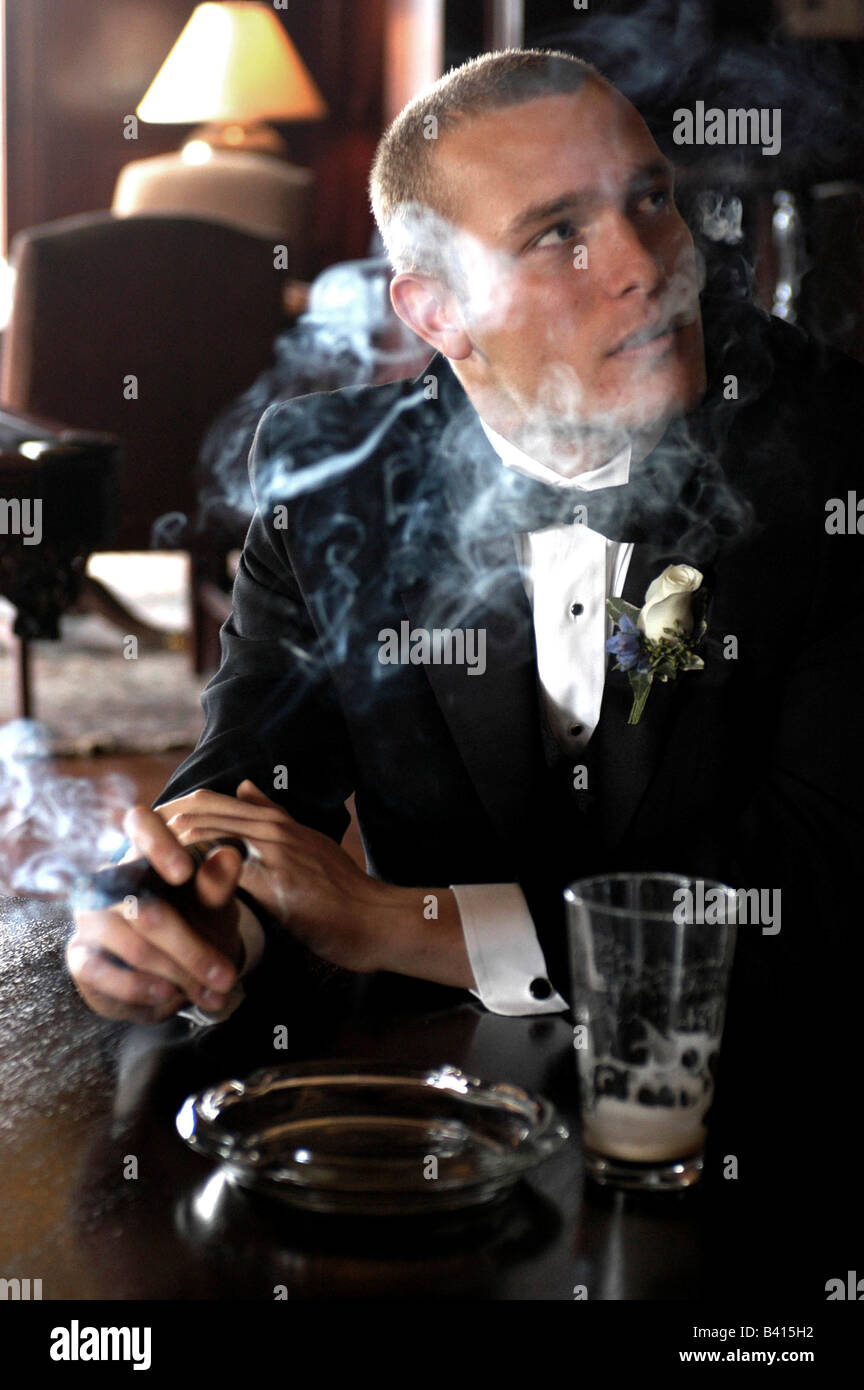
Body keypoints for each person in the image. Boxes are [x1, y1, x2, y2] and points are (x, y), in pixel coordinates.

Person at [67, 47, 863, 1135]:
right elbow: (253, 792)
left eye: (651, 201)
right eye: (559, 233)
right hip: (425, 1110)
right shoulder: (331, 478)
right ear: (437, 309)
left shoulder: (830, 455)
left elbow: (818, 889)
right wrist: (177, 912)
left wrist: (400, 924)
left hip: (773, 1110)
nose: (646, 263)